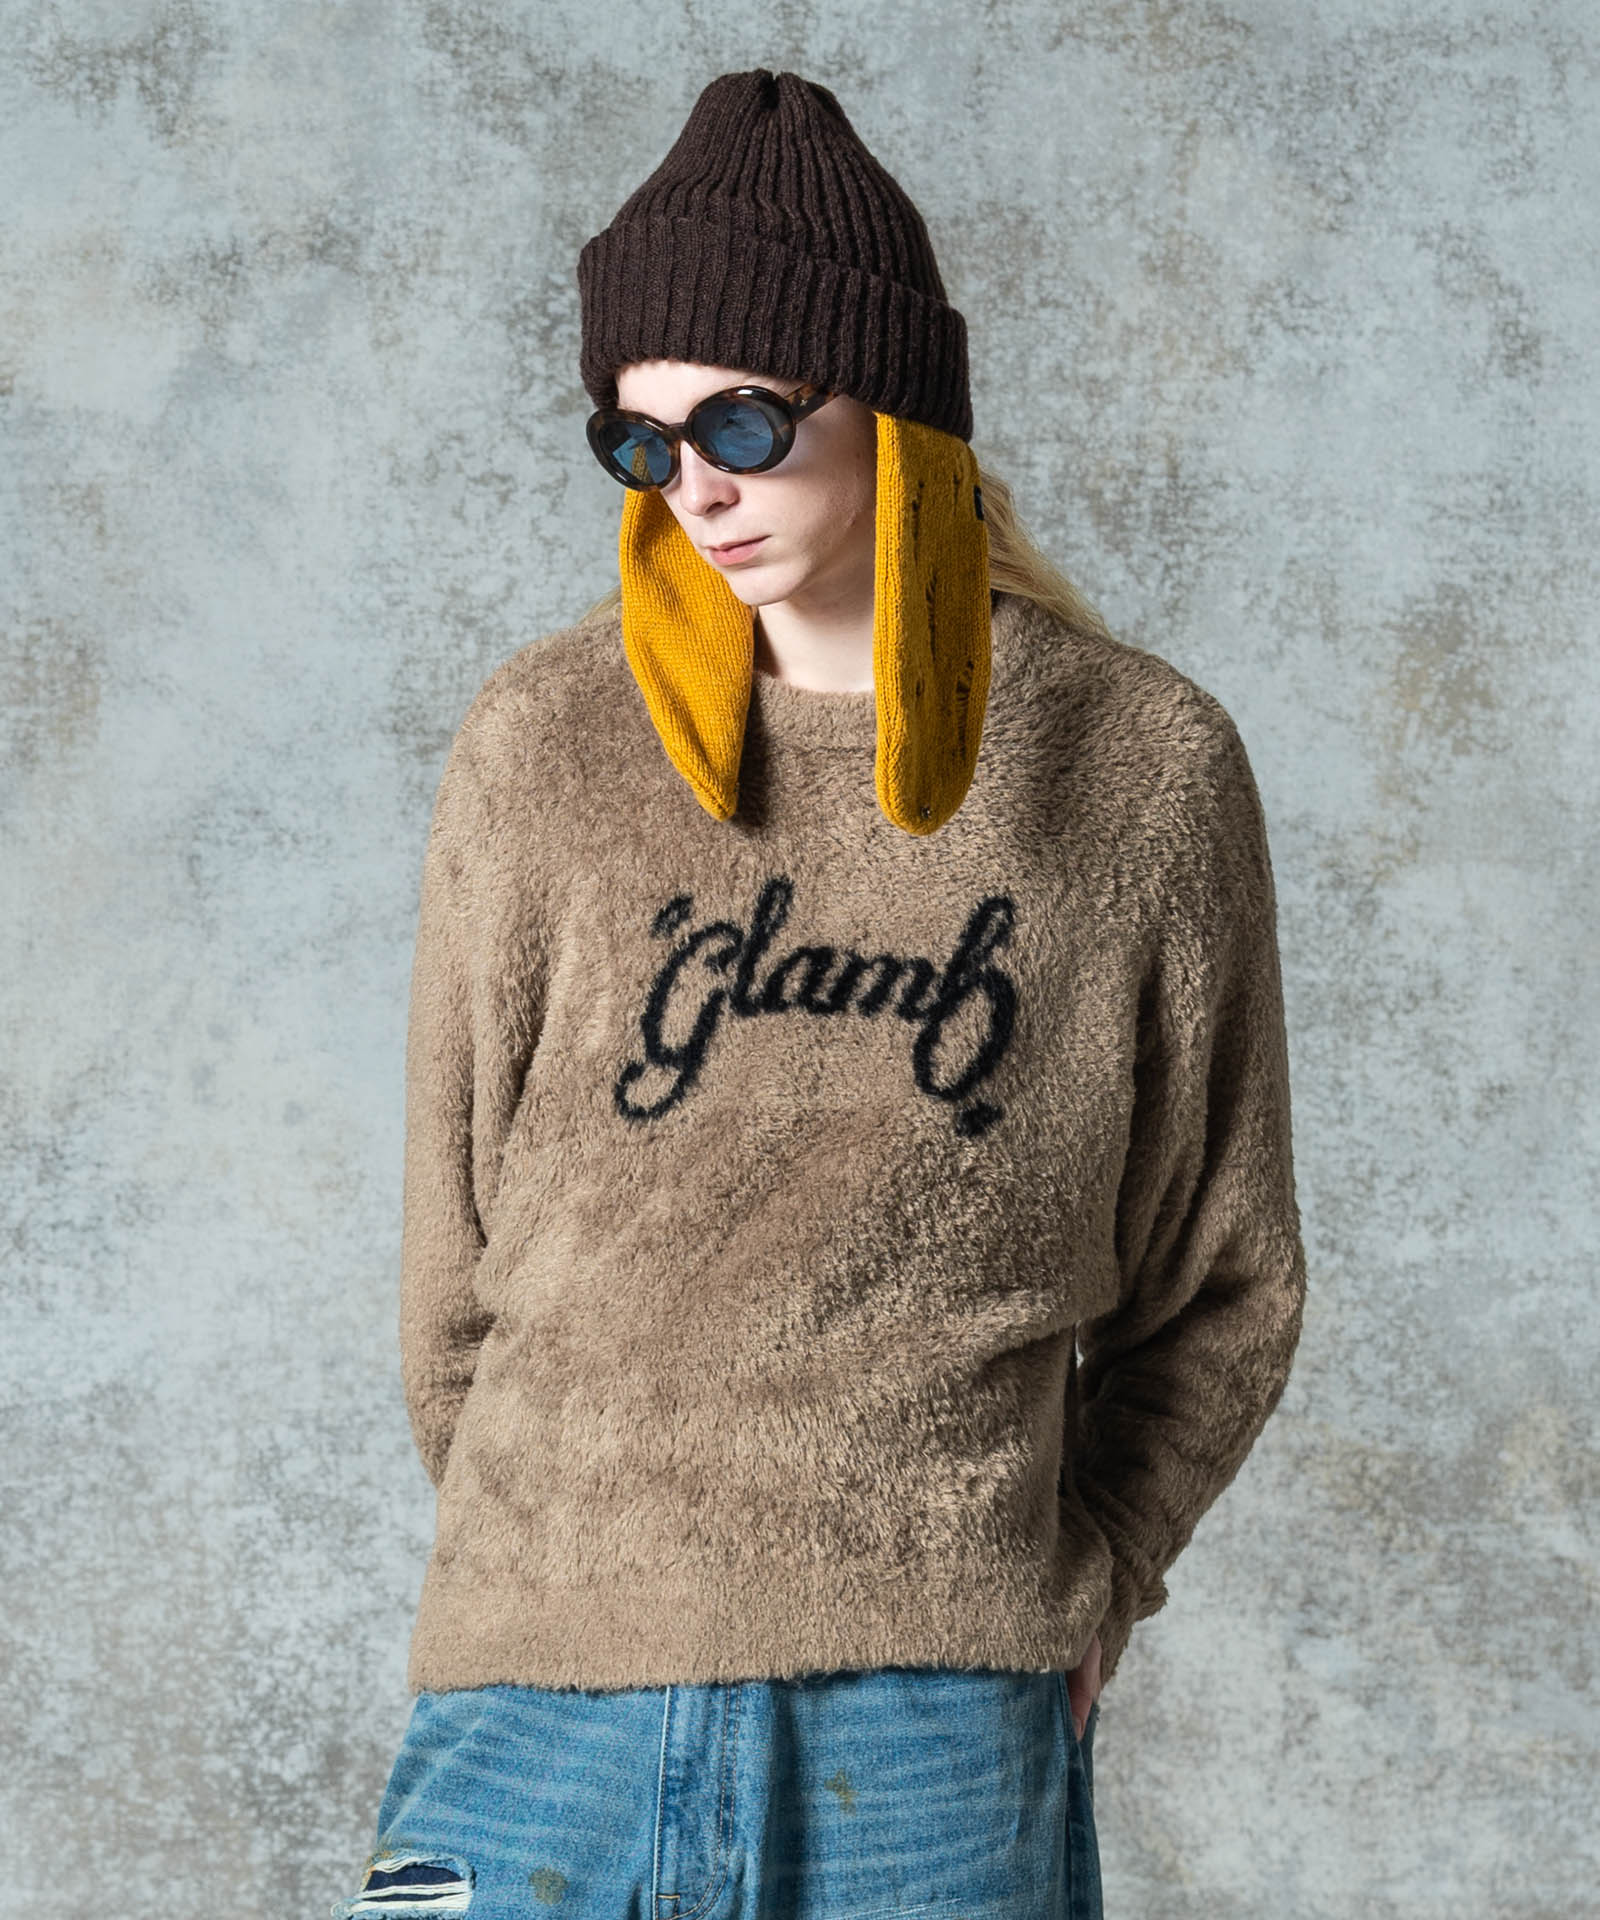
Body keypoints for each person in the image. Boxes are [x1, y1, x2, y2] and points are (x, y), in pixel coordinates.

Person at [330, 69, 1306, 1920]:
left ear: (895, 405)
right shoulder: (542, 748)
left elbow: (1226, 1279)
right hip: (538, 1699)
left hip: (932, 1715)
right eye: (642, 443)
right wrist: (572, 1564)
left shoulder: (1139, 770)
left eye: (745, 421)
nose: (697, 488)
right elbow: (452, 1270)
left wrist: (1092, 1570)